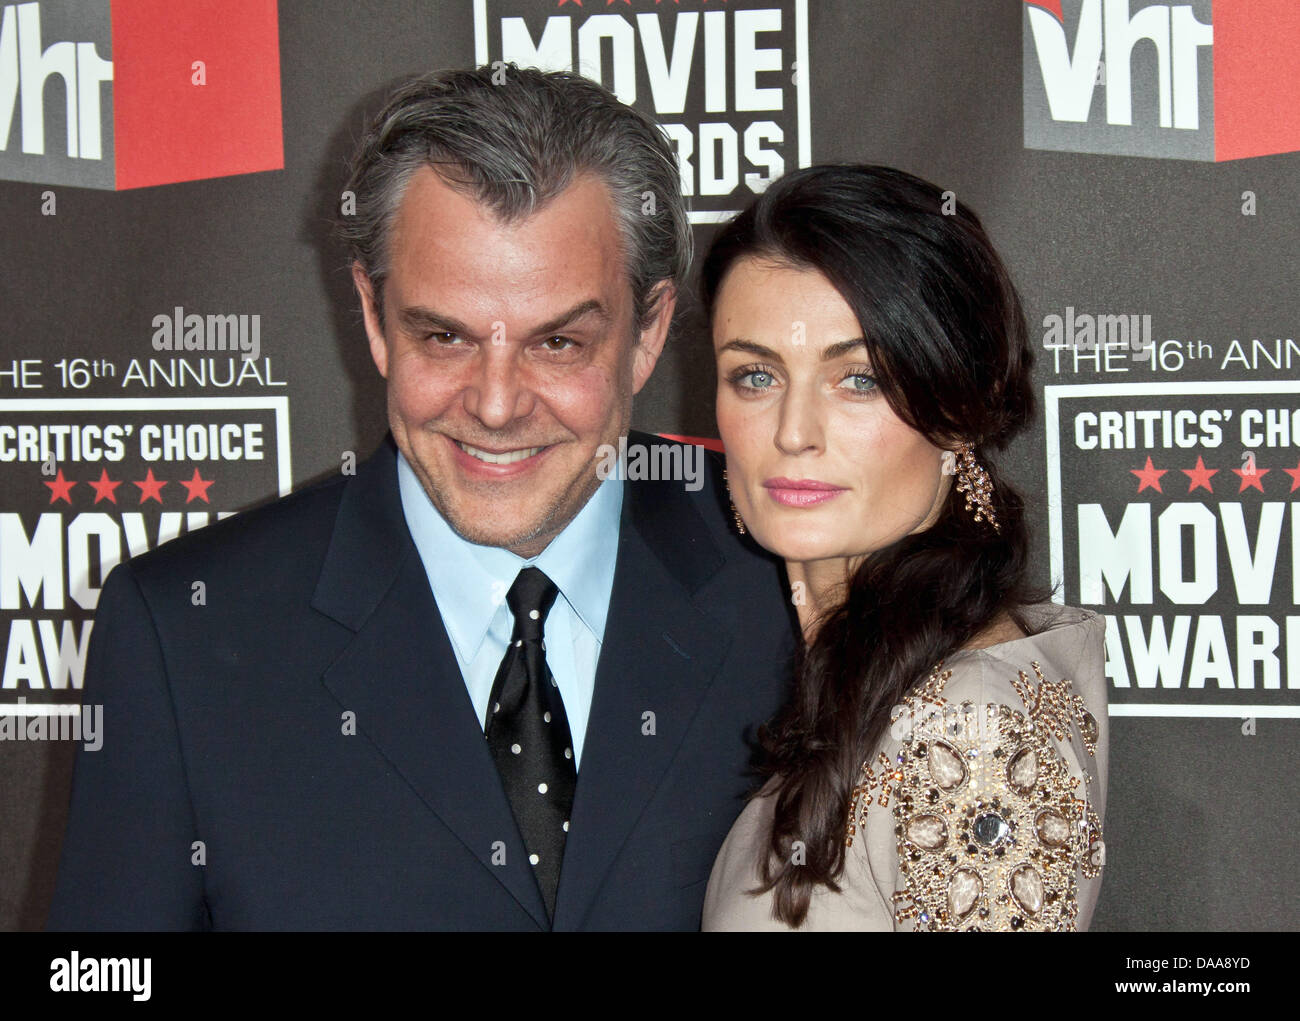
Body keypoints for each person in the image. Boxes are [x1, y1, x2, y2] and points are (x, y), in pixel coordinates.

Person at [45, 65, 797, 931]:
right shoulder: (182, 633)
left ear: (649, 331)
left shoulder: (790, 573)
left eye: (558, 342)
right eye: (444, 335)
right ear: (372, 315)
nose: (496, 403)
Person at [698, 164, 1108, 931]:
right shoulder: (876, 681)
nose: (793, 432)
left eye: (858, 380)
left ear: (959, 410)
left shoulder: (974, 728)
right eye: (755, 375)